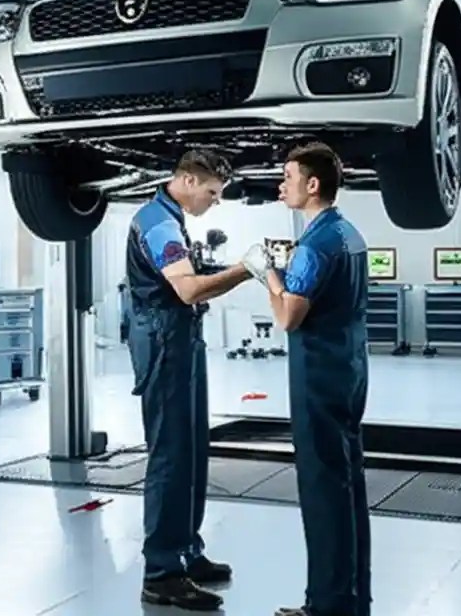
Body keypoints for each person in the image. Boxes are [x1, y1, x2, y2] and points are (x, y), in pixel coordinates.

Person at [243, 142, 371, 616]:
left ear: (312, 185)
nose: (281, 185)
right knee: (348, 488)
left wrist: (268, 274)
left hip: (317, 377)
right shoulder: (348, 234)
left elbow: (288, 318)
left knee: (322, 491)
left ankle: (327, 606)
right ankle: (352, 601)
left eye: (288, 177)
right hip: (349, 370)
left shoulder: (314, 246)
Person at [127, 150, 254, 610]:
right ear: (185, 179)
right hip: (165, 346)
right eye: (212, 193)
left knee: (194, 450)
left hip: (182, 340)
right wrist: (246, 269)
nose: (214, 203)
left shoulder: (171, 217)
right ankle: (161, 574)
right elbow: (186, 289)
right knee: (171, 457)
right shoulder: (157, 223)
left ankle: (186, 552)